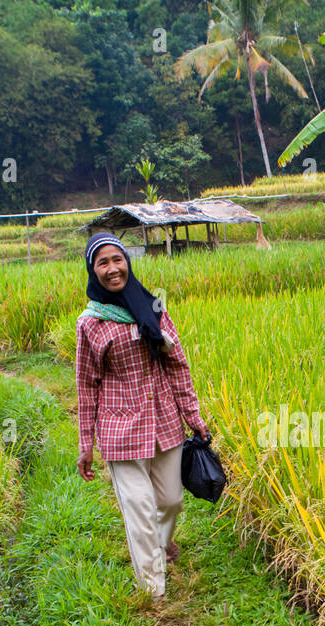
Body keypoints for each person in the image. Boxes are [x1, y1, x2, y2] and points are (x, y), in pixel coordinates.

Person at [75, 232, 209, 602]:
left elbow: (177, 363)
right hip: (120, 428)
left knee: (170, 501)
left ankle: (163, 548)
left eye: (117, 259)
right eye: (103, 262)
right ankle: (154, 589)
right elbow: (87, 385)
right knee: (140, 510)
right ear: (92, 270)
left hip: (164, 419)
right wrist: (86, 443)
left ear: (127, 263)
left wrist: (193, 415)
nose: (113, 268)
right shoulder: (90, 323)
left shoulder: (152, 307)